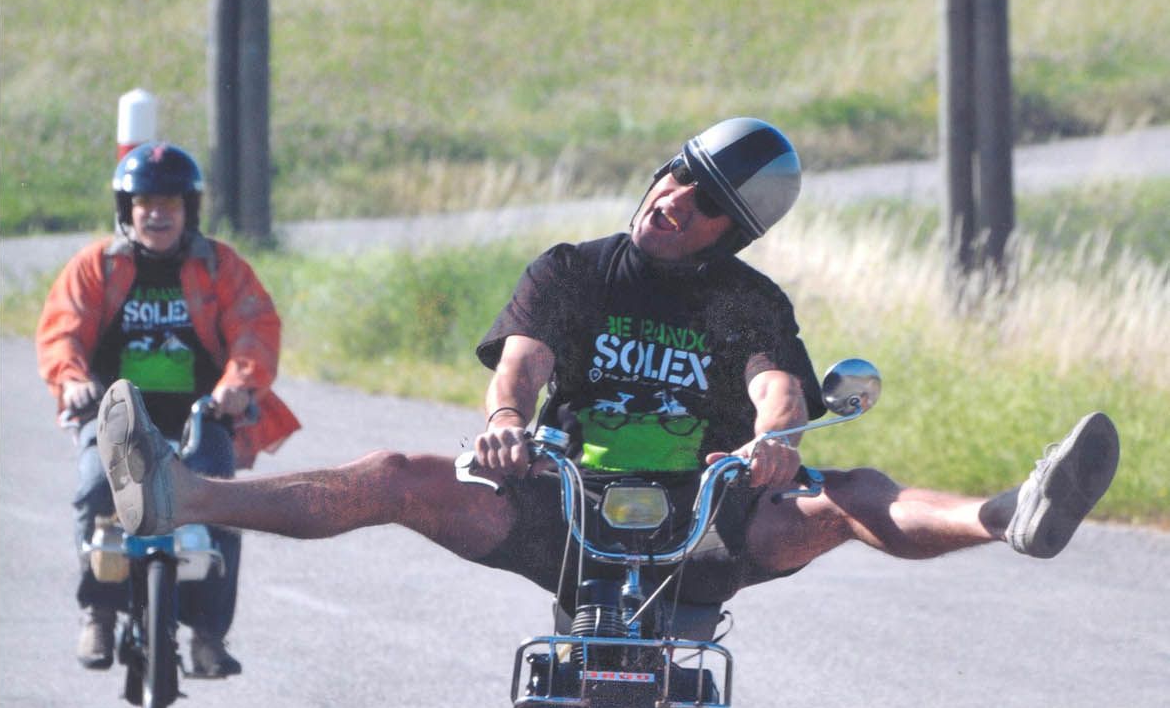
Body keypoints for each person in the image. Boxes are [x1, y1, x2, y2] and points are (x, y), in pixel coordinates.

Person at [90, 119, 1120, 618]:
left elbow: (777, 390)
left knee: (846, 492)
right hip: (564, 512)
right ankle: (184, 494)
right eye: (676, 175)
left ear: (728, 234)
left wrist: (773, 442)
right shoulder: (572, 272)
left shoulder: (746, 302)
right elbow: (522, 366)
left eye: (703, 203)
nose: (673, 201)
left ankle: (1008, 514)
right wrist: (505, 420)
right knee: (398, 473)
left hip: (705, 527)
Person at [36, 141, 300, 677]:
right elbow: (63, 331)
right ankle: (98, 615)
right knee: (94, 489)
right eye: (145, 203)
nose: (157, 214)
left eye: (170, 204)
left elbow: (255, 328)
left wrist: (238, 384)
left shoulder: (222, 265)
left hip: (202, 415)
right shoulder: (95, 266)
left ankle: (207, 638)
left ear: (189, 210)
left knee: (224, 505)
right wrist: (74, 379)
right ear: (126, 209)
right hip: (113, 415)